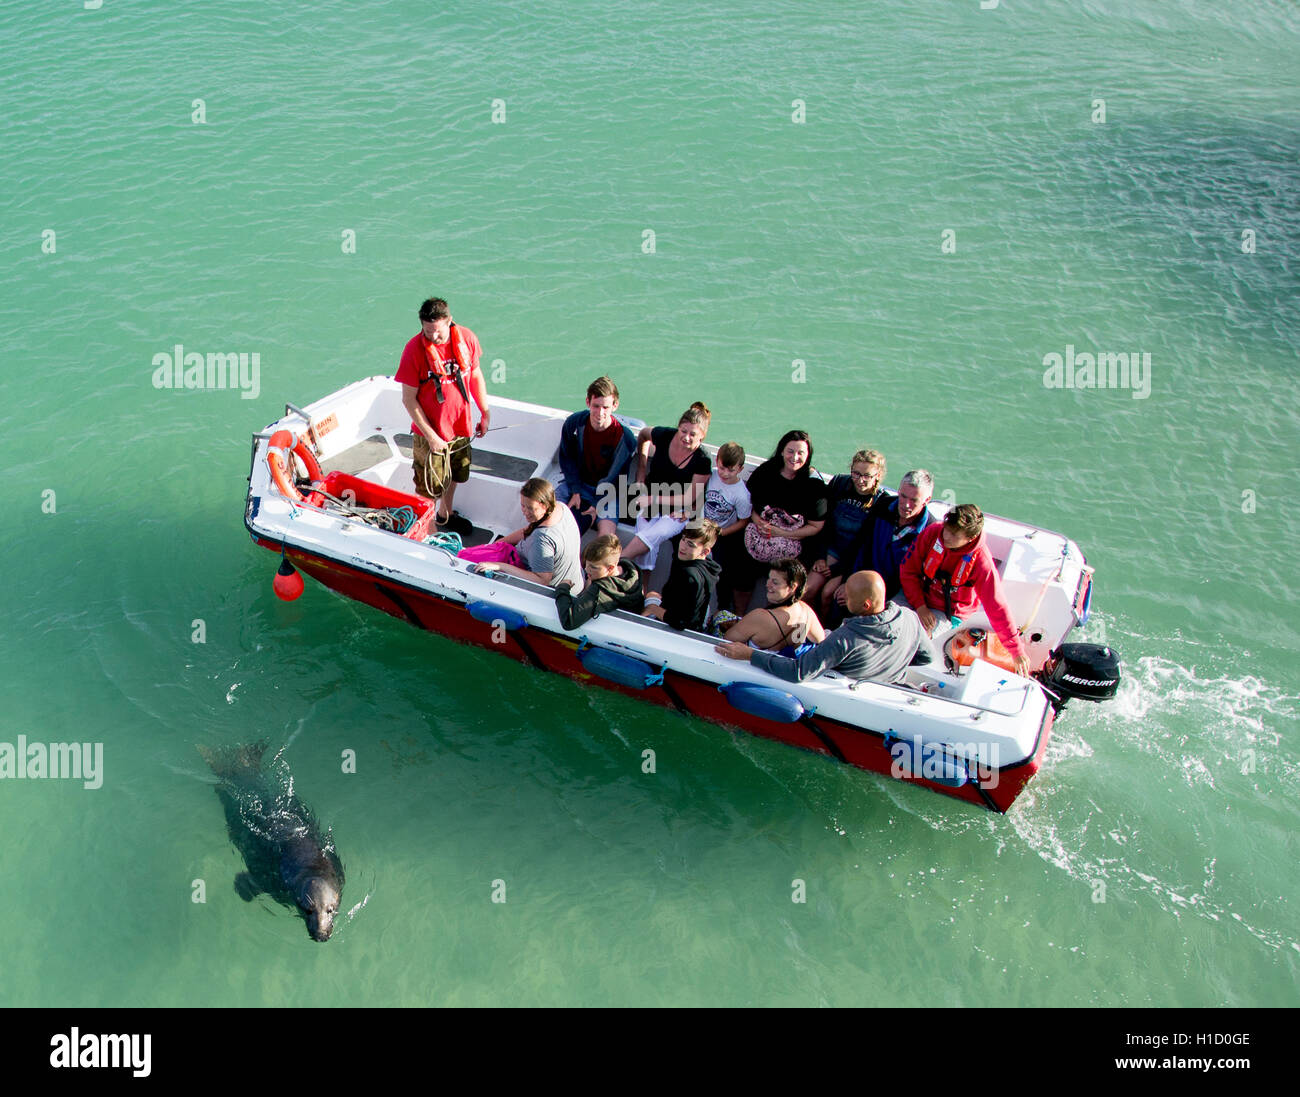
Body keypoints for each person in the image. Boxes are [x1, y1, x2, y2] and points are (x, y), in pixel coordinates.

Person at [716, 570, 935, 685]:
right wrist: (890, 660)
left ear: (866, 604)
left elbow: (798, 672)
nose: (842, 596)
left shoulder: (845, 639)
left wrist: (750, 655)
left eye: (847, 596)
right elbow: (927, 658)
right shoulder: (910, 618)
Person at [897, 503, 1030, 676]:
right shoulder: (933, 533)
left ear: (970, 537)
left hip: (946, 611)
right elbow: (908, 570)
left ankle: (894, 670)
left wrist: (1016, 651)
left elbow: (997, 608)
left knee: (911, 638)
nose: (946, 536)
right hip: (917, 595)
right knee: (885, 620)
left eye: (953, 534)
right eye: (946, 529)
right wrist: (920, 605)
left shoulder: (982, 564)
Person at [395, 297, 491, 536]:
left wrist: (485, 412)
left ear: (449, 321)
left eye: (437, 332)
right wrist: (432, 437)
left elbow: (476, 375)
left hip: (460, 426)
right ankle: (427, 531)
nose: (432, 337)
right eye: (427, 332)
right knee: (429, 486)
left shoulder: (467, 338)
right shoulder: (413, 350)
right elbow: (409, 399)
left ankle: (445, 514)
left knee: (455, 474)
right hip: (431, 433)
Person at [624, 440, 751, 584]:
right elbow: (699, 496)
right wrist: (689, 512)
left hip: (718, 532)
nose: (725, 473)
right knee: (678, 553)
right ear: (717, 461)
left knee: (719, 568)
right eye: (722, 468)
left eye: (731, 470)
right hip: (696, 523)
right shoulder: (711, 476)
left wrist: (721, 532)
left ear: (740, 469)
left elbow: (743, 521)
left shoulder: (741, 494)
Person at [731, 430, 827, 613]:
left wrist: (784, 534)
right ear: (782, 451)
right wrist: (757, 520)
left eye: (801, 453)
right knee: (740, 565)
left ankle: (772, 619)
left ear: (808, 456)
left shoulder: (814, 487)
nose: (795, 457)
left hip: (793, 542)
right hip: (759, 535)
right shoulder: (765, 472)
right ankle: (739, 614)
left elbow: (817, 526)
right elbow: (748, 503)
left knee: (788, 578)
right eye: (790, 451)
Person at [829, 469, 935, 620]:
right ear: (898, 490)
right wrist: (849, 581)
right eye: (903, 496)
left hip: (891, 596)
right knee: (838, 603)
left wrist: (883, 602)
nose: (906, 505)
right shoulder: (884, 505)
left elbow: (918, 577)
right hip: (864, 582)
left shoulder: (930, 531)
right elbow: (861, 545)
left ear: (927, 499)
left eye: (914, 500)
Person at [623, 403, 713, 580]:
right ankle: (642, 590)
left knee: (656, 533)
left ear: (702, 437)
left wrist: (652, 499)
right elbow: (643, 435)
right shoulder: (664, 435)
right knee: (648, 546)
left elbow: (690, 497)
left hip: (678, 510)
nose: (686, 438)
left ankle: (617, 561)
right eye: (683, 431)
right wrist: (640, 472)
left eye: (693, 434)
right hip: (649, 500)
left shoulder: (702, 459)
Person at [805, 449, 888, 607]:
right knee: (809, 589)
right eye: (855, 474)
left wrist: (838, 569)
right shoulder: (839, 484)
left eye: (867, 476)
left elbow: (865, 543)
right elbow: (826, 523)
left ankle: (826, 629)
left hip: (854, 558)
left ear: (877, 475)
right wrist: (821, 557)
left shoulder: (881, 502)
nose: (860, 480)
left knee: (828, 593)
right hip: (831, 550)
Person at [557, 377, 637, 537]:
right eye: (596, 406)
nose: (600, 413)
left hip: (608, 492)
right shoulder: (574, 423)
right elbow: (566, 458)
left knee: (606, 539)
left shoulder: (626, 439)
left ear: (615, 405)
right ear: (588, 402)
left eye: (606, 407)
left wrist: (596, 505)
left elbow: (620, 480)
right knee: (546, 514)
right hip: (577, 483)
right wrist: (575, 490)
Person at [470, 478, 582, 589]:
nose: (525, 512)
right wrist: (494, 545)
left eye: (531, 508)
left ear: (545, 505)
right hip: (577, 581)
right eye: (523, 505)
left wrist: (499, 566)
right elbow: (527, 530)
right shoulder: (560, 507)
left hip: (555, 592)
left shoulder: (542, 539)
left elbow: (542, 580)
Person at [716, 558, 825, 657]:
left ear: (792, 587)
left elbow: (725, 640)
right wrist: (797, 639)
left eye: (775, 582)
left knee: (720, 616)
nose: (768, 584)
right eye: (769, 578)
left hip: (750, 667)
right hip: (782, 665)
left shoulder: (760, 617)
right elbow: (820, 640)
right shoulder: (806, 612)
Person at [642, 520, 721, 632]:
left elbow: (680, 622)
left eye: (690, 545)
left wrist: (653, 609)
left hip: (678, 629)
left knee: (647, 603)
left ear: (705, 551)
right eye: (683, 540)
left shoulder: (689, 575)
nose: (683, 547)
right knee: (652, 594)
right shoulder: (708, 567)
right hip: (698, 623)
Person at [555, 535, 645, 630]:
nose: (586, 569)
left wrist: (562, 588)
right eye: (587, 564)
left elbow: (568, 622)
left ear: (610, 567)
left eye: (593, 567)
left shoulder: (599, 592)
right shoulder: (632, 569)